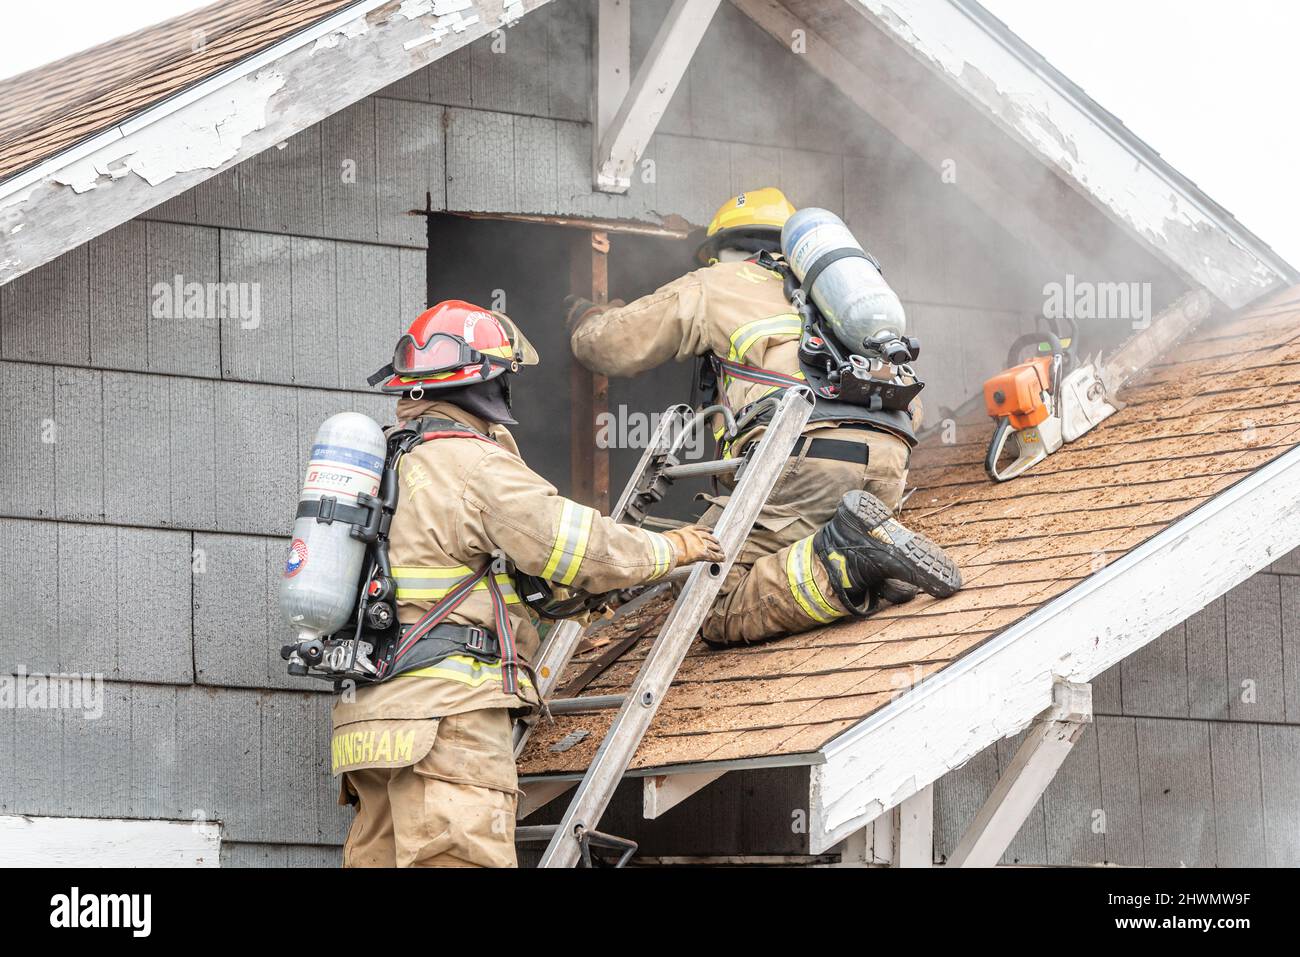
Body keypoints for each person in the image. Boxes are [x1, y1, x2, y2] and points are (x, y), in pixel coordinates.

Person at [332, 299, 724, 867]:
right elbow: (579, 547)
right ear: (489, 384)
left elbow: (460, 577)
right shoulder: (471, 463)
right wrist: (672, 547)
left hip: (370, 730)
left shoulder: (383, 467)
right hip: (447, 724)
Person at [566, 188, 961, 647]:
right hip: (890, 463)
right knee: (792, 550)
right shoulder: (836, 300)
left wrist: (587, 318)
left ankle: (852, 564)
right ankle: (872, 562)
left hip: (800, 459)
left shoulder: (717, 282)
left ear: (716, 252)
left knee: (707, 595)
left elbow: (610, 347)